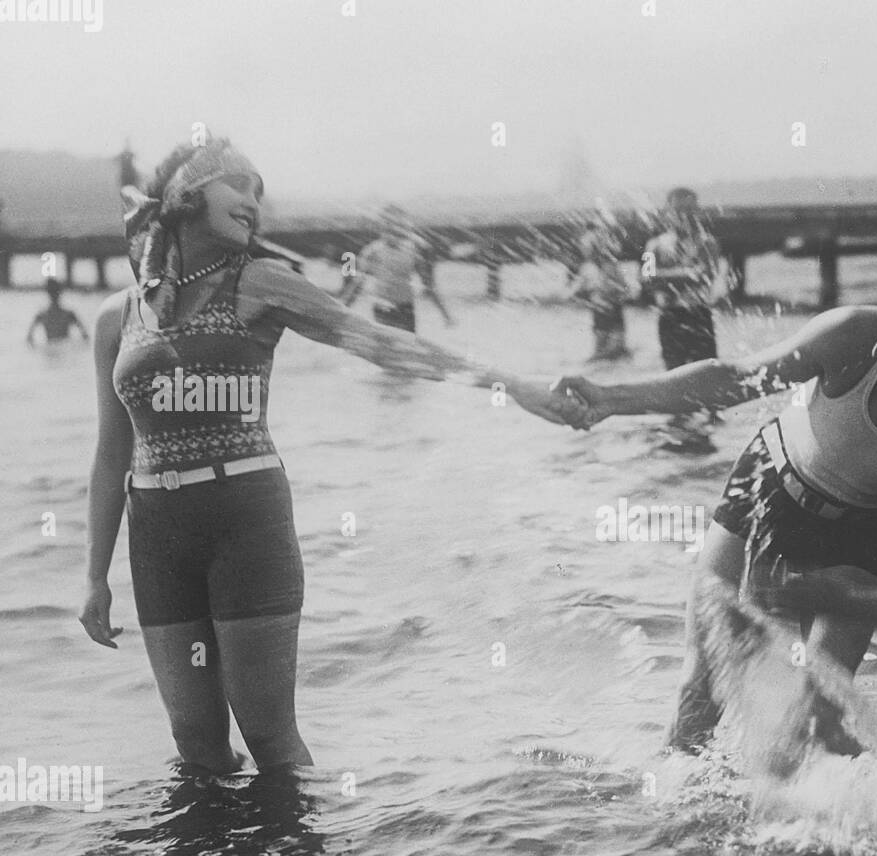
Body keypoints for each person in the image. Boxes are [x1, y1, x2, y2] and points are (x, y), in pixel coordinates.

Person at [78, 138, 588, 777]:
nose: (253, 202)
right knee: (195, 742)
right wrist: (94, 576)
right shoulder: (115, 318)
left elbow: (379, 342)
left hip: (244, 521)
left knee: (269, 739)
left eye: (260, 193)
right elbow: (109, 455)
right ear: (185, 197)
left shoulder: (259, 283)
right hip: (156, 534)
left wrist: (515, 386)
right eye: (238, 185)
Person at [559, 267, 877, 751]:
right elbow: (732, 381)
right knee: (701, 687)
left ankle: (816, 816)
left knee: (814, 719)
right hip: (765, 484)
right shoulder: (853, 335)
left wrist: (844, 602)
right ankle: (674, 813)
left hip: (861, 535)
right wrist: (611, 398)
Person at [641, 187, 725, 451]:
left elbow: (706, 275)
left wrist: (665, 276)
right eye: (678, 211)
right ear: (667, 213)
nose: (684, 216)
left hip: (698, 314)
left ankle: (706, 434)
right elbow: (645, 280)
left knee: (706, 374)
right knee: (674, 374)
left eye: (689, 211)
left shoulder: (708, 242)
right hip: (670, 316)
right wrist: (687, 273)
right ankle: (679, 430)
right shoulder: (654, 245)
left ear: (697, 213)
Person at [339, 204, 453, 331]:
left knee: (407, 347)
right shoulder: (372, 251)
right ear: (381, 227)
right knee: (385, 346)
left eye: (396, 225)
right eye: (387, 225)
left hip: (406, 309)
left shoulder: (413, 250)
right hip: (383, 308)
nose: (392, 230)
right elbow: (357, 285)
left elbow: (428, 286)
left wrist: (445, 314)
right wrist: (342, 311)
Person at [570, 220, 630, 361]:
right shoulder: (606, 265)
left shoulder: (592, 266)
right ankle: (612, 353)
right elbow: (624, 287)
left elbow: (576, 288)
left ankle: (605, 354)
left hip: (603, 304)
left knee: (604, 339)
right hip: (609, 304)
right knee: (614, 340)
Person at [27, 278, 87, 346]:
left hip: (48, 351)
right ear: (61, 292)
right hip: (65, 350)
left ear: (47, 293)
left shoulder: (41, 315)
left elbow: (29, 339)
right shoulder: (69, 314)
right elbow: (85, 337)